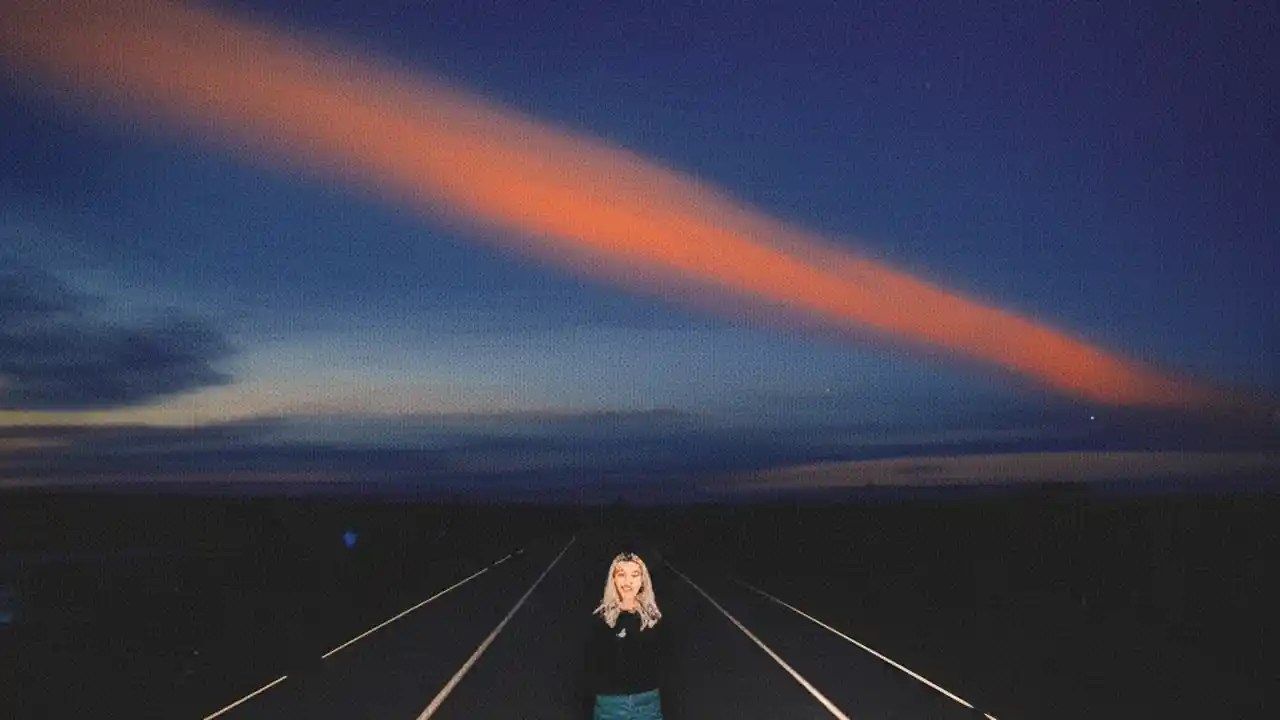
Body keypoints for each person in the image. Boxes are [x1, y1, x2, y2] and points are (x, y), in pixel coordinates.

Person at [583, 551, 673, 720]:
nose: (628, 581)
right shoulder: (601, 619)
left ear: (642, 580)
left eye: (635, 575)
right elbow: (591, 664)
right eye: (621, 575)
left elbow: (666, 664)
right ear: (613, 579)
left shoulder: (655, 618)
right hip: (611, 705)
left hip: (648, 704)